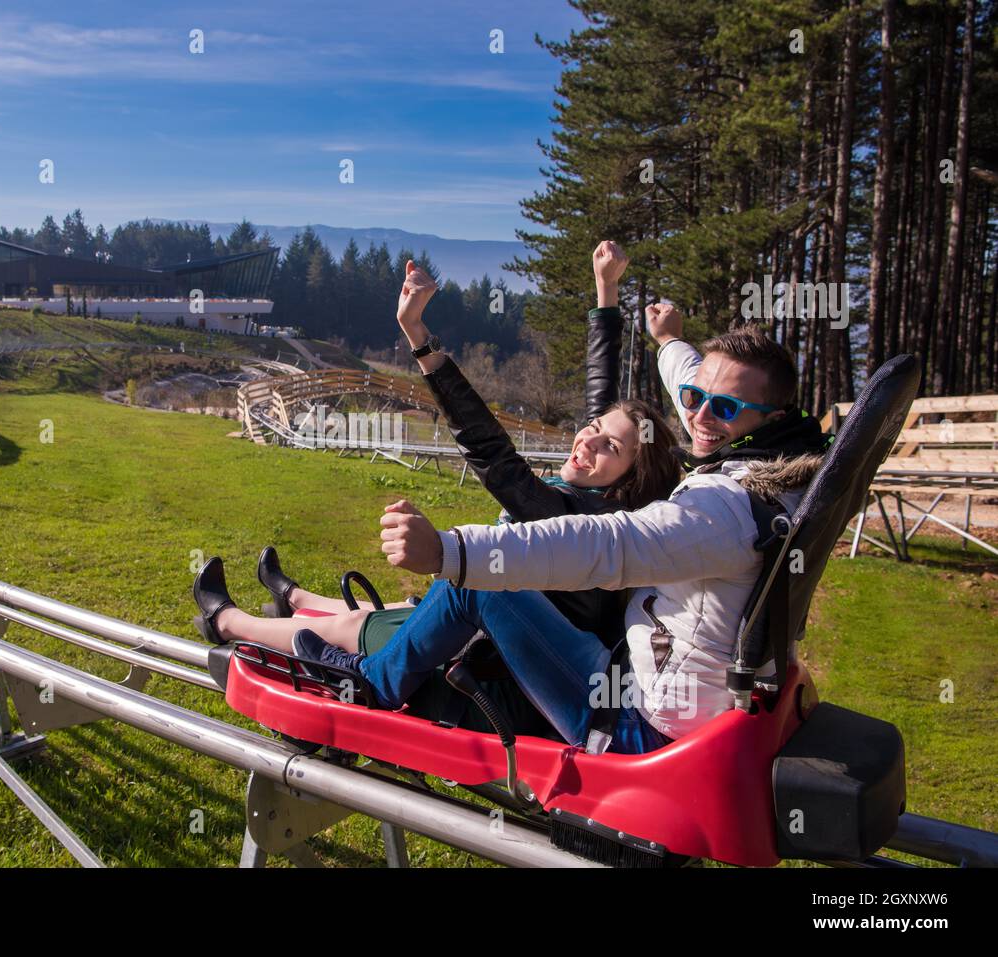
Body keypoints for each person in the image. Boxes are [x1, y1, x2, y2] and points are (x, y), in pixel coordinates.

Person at [192, 242, 680, 741]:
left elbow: (493, 454)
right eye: (592, 426)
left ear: (629, 478)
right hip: (485, 641)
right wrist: (606, 291)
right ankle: (291, 594)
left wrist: (420, 340)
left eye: (610, 446)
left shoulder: (574, 519)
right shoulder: (619, 519)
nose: (587, 439)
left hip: (486, 664)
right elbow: (605, 398)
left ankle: (228, 622)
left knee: (357, 629)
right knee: (368, 617)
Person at [285, 312, 834, 754]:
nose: (701, 417)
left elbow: (607, 545)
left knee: (479, 579)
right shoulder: (777, 472)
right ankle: (330, 636)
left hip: (633, 720)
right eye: (693, 399)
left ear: (770, 418)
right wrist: (666, 341)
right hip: (662, 689)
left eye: (727, 408)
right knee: (455, 589)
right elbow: (694, 390)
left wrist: (448, 549)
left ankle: (372, 684)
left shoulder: (719, 507)